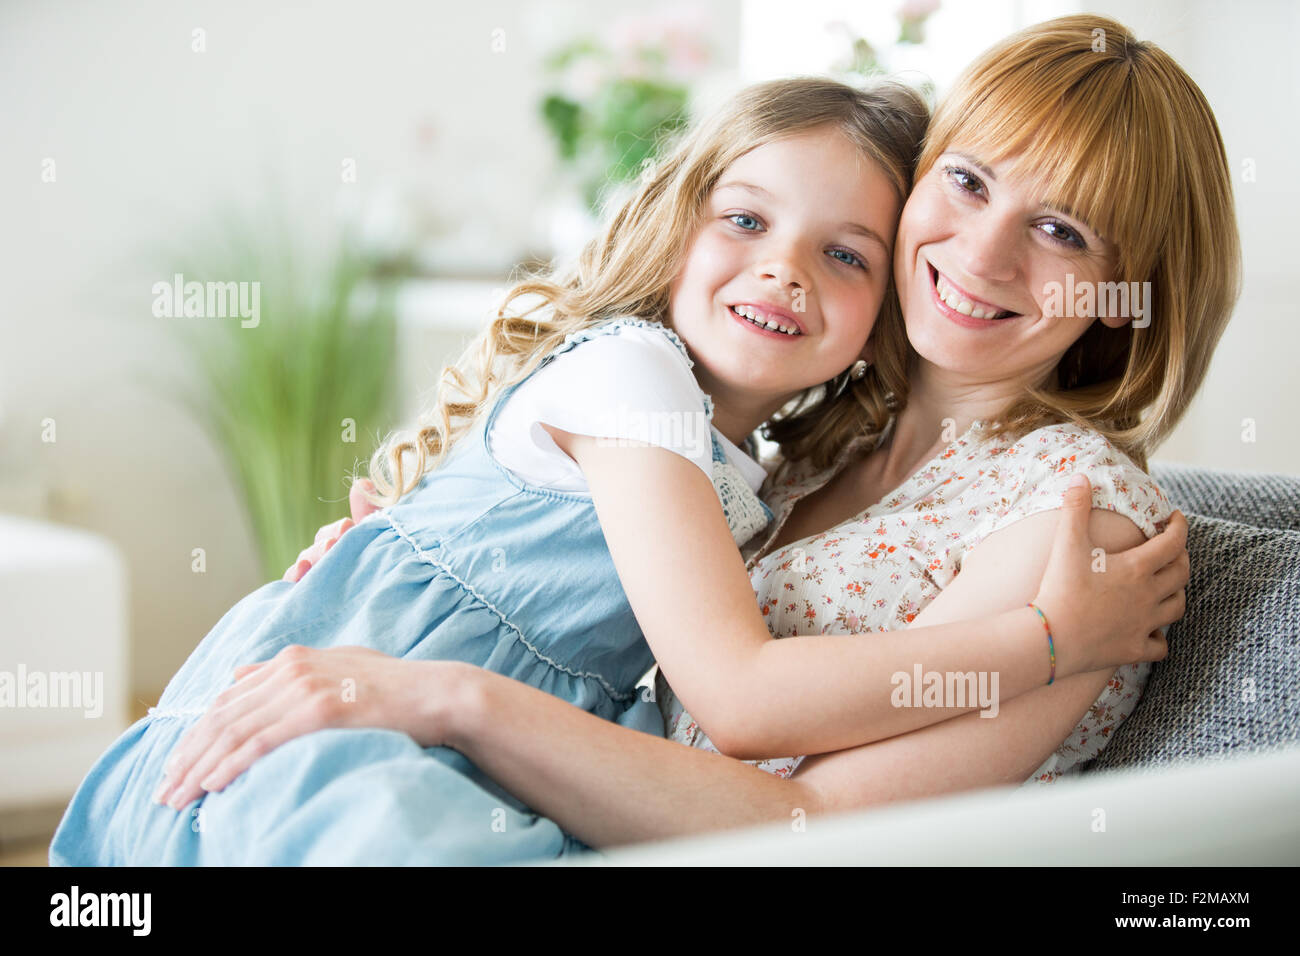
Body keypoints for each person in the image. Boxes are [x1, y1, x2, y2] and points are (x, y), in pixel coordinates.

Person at [52, 55, 1190, 866]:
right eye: (971, 182)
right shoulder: (762, 445)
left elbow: (796, 803)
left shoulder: (1070, 523)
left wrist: (445, 678)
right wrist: (402, 578)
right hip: (404, 755)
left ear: (1125, 295)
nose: (983, 249)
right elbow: (704, 674)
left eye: (1064, 230)